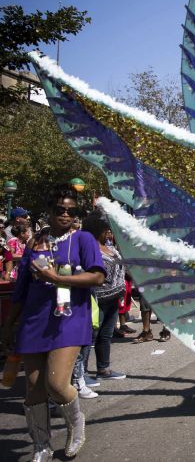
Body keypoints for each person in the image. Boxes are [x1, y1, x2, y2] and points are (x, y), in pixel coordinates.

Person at [0, 186, 105, 460]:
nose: (66, 215)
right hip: (34, 318)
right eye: (60, 210)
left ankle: (76, 424)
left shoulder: (83, 239)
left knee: (56, 384)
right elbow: (22, 286)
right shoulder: (36, 241)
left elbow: (97, 277)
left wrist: (58, 279)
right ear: (50, 211)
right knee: (33, 387)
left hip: (70, 318)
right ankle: (41, 445)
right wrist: (10, 323)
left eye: (72, 210)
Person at [82, 212, 127, 380]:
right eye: (105, 230)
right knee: (90, 336)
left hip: (113, 298)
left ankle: (104, 368)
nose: (108, 233)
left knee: (106, 335)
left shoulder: (110, 247)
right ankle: (82, 373)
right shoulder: (87, 248)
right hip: (96, 299)